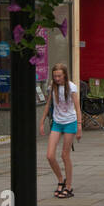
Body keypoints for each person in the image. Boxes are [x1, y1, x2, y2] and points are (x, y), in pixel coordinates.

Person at [40, 63, 81, 197]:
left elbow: (77, 106)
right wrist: (42, 121)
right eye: (54, 76)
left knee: (65, 155)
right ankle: (60, 180)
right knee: (50, 156)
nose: (57, 78)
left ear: (64, 74)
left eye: (59, 76)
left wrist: (79, 126)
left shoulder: (71, 87)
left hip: (70, 122)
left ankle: (68, 186)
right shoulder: (53, 87)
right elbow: (48, 104)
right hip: (57, 122)